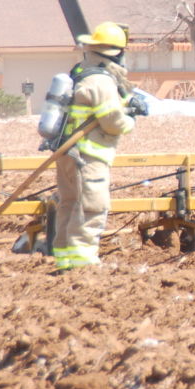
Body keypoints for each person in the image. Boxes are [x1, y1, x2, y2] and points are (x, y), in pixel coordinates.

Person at [52, 22, 145, 272]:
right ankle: (83, 262)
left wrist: (128, 101)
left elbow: (95, 108)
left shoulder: (81, 72)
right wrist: (131, 120)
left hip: (68, 154)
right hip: (88, 157)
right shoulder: (101, 81)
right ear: (116, 53)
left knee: (69, 204)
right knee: (92, 206)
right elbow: (112, 122)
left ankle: (65, 260)